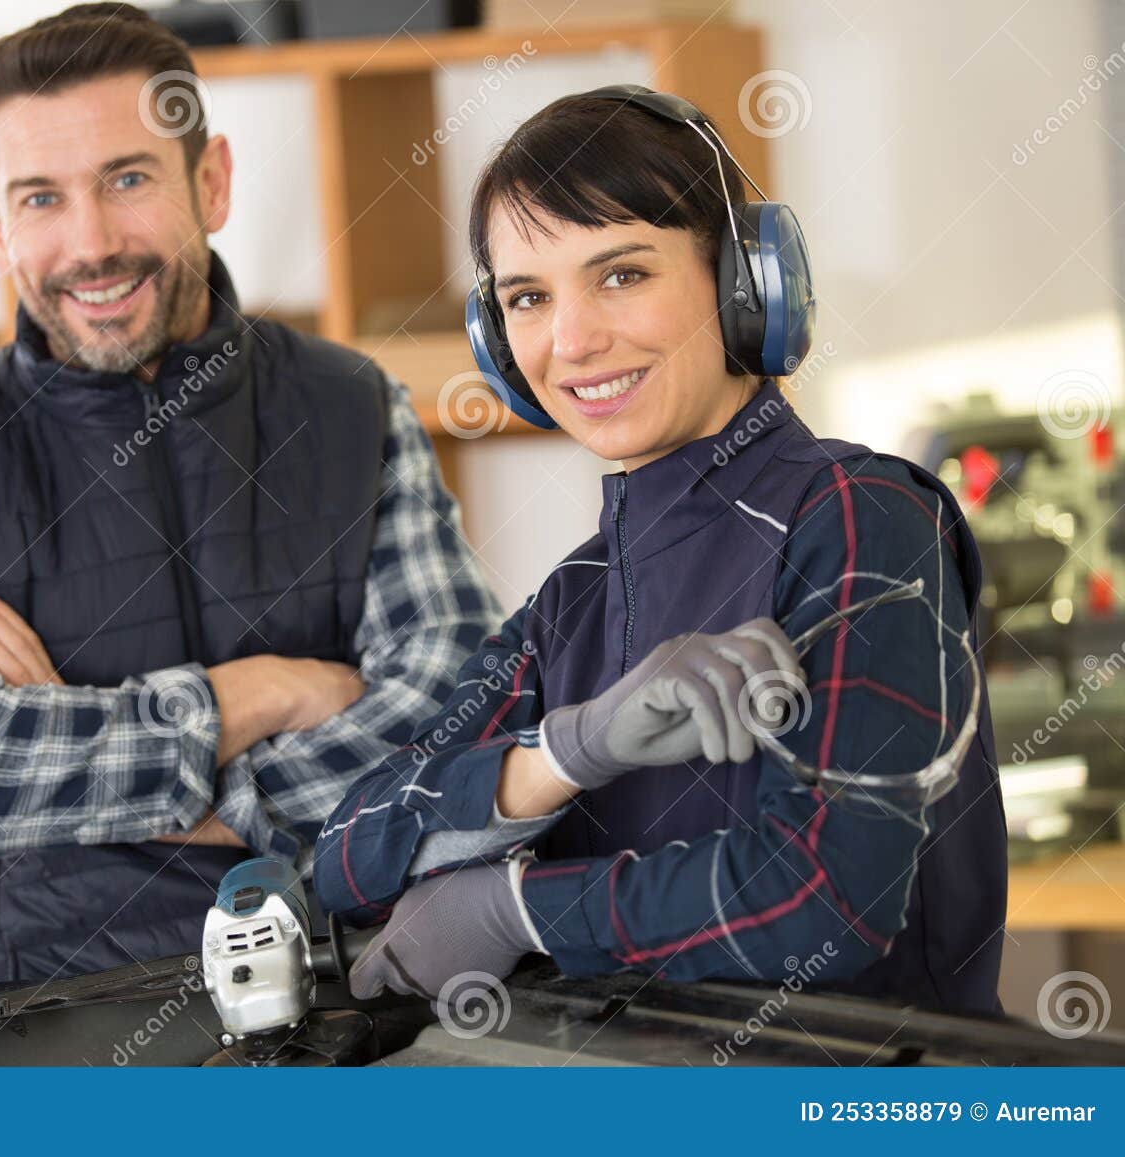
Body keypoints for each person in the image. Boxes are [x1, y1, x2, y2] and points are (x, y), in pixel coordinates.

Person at [314, 87, 1009, 1015]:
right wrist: (572, 748)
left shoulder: (861, 514)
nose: (572, 341)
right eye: (528, 296)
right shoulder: (579, 595)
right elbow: (346, 854)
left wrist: (511, 908)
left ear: (741, 283)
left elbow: (825, 900)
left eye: (622, 275)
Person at [0, 3, 500, 988]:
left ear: (211, 181)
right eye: (40, 199)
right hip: (51, 1032)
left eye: (127, 178)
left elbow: (456, 716)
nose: (91, 242)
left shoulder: (355, 407)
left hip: (352, 994)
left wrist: (162, 782)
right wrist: (262, 692)